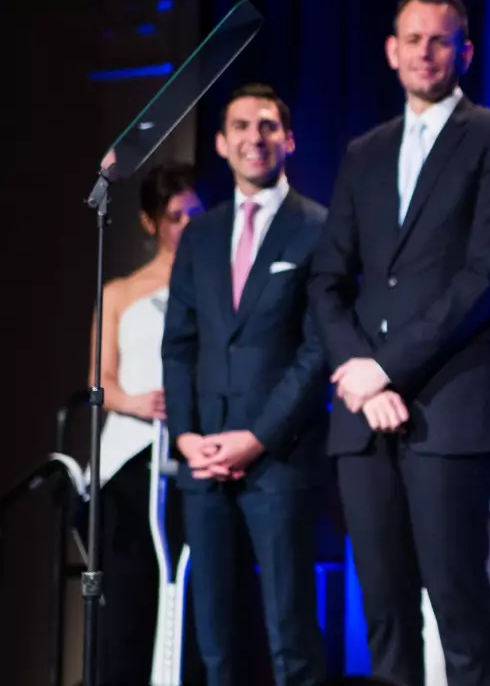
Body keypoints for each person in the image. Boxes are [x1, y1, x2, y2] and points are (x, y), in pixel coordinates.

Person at [309, 0, 490, 686]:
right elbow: (326, 280)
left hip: (451, 406)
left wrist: (385, 369)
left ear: (464, 50)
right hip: (363, 419)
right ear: (391, 50)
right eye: (413, 38)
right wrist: (357, 371)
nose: (425, 52)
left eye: (441, 39)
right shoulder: (364, 152)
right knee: (382, 612)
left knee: (457, 604)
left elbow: (486, 275)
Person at [162, 83, 329, 685]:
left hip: (279, 459)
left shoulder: (318, 228)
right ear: (220, 142)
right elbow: (179, 345)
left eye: (266, 126)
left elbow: (320, 348)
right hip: (203, 462)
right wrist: (186, 437)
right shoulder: (200, 236)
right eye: (239, 126)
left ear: (288, 139)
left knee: (290, 636)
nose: (252, 138)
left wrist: (256, 437)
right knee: (214, 639)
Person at [89, 163, 203, 685]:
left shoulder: (216, 287)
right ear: (151, 222)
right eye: (175, 217)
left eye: (195, 216)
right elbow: (99, 382)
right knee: (130, 601)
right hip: (132, 458)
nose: (186, 226)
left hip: (192, 453)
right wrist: (140, 403)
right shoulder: (120, 292)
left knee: (196, 601)